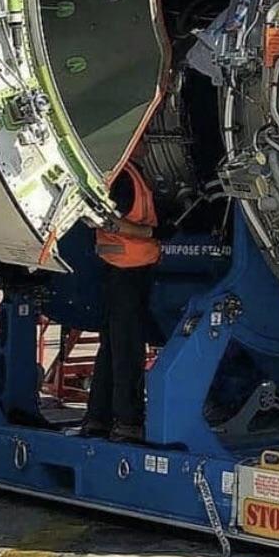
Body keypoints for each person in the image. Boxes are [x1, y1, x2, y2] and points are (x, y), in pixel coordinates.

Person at [82, 160, 160, 442]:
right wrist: (152, 234)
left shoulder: (125, 173)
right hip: (126, 271)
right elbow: (107, 220)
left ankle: (98, 419)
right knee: (127, 350)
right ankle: (127, 421)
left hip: (123, 269)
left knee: (113, 349)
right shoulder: (123, 177)